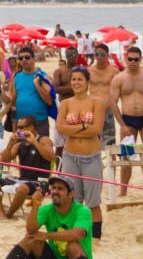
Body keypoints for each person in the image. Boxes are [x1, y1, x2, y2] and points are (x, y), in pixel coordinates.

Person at [56, 66, 105, 242]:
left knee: (93, 201)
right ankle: (74, 234)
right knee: (73, 199)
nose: (76, 83)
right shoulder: (65, 103)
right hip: (70, 156)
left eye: (80, 79)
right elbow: (60, 128)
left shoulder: (96, 102)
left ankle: (96, 238)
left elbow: (97, 129)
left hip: (91, 157)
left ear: (87, 82)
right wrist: (83, 127)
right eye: (74, 79)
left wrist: (73, 130)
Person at [109, 46, 143, 195]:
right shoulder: (119, 78)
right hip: (128, 120)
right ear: (126, 59)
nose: (132, 62)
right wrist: (122, 125)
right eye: (130, 59)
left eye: (135, 59)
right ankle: (123, 190)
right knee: (126, 154)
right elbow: (113, 103)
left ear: (140, 59)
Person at [5, 175, 92, 259]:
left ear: (71, 194)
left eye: (60, 189)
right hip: (54, 256)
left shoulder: (82, 210)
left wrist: (46, 235)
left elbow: (77, 234)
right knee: (31, 239)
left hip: (77, 255)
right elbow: (30, 230)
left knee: (72, 246)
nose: (55, 191)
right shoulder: (47, 209)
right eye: (53, 188)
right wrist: (35, 206)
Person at [0, 115, 55, 219]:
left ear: (31, 127)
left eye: (21, 127)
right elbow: (4, 159)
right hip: (22, 180)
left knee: (22, 188)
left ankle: (9, 214)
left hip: (40, 182)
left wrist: (34, 142)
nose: (18, 130)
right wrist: (10, 144)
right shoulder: (19, 144)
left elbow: (50, 156)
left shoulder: (44, 140)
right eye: (17, 128)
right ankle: (1, 213)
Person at [9, 47, 54, 135]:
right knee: (21, 148)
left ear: (34, 59)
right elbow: (13, 100)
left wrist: (37, 85)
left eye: (27, 57)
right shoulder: (17, 77)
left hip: (39, 122)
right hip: (21, 123)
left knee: (40, 147)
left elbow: (49, 101)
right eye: (21, 58)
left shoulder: (43, 76)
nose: (24, 60)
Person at [87, 43, 119, 146]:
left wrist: (111, 105)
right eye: (97, 54)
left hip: (108, 110)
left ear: (107, 55)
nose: (99, 57)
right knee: (93, 143)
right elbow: (81, 90)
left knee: (110, 143)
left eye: (102, 54)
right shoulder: (89, 71)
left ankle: (111, 162)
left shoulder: (114, 71)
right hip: (93, 110)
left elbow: (118, 93)